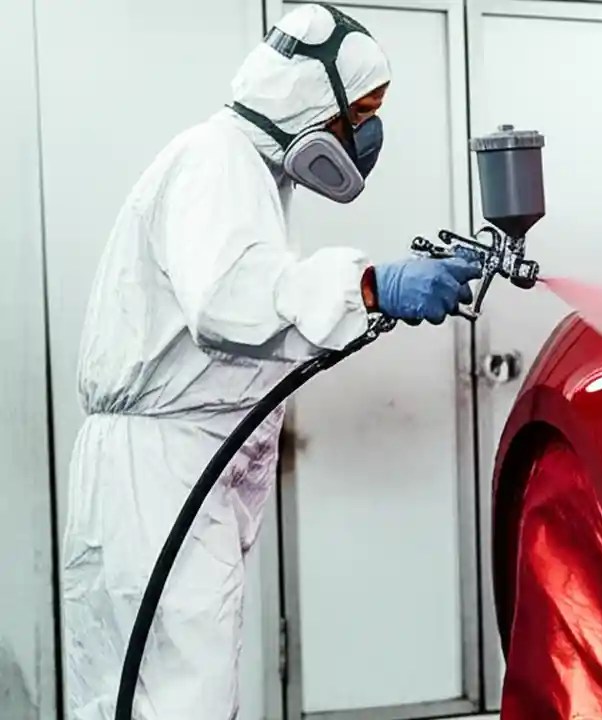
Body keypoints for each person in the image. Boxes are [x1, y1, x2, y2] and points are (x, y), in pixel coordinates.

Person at [60, 5, 477, 718]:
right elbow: (229, 298)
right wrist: (370, 283)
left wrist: (366, 295)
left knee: (138, 690)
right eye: (366, 109)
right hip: (162, 476)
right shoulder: (216, 160)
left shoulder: (247, 169)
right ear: (320, 100)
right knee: (177, 694)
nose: (369, 131)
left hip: (169, 468)